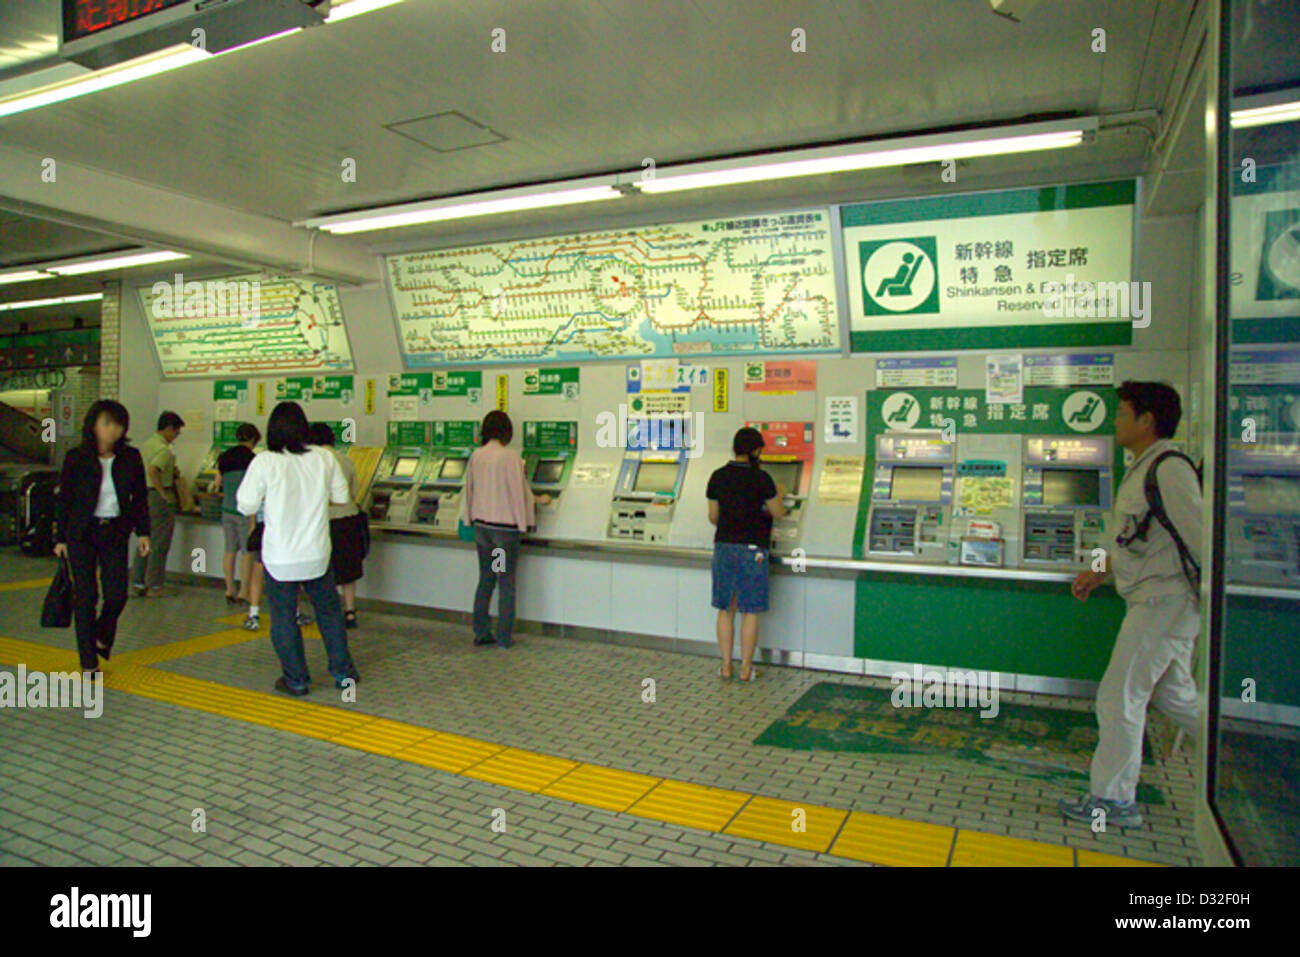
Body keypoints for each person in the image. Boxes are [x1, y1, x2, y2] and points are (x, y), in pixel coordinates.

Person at [1061, 381, 1202, 829]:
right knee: (1174, 696)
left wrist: (1209, 602)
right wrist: (1098, 571)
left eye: (1123, 413)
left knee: (1118, 696)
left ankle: (1113, 800)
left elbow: (1201, 538)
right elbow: (1120, 539)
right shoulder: (1141, 468)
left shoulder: (1170, 469)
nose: (1116, 420)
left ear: (1146, 420)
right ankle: (1238, 748)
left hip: (1164, 601)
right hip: (1153, 600)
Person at [236, 401, 358, 695]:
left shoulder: (264, 461)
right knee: (329, 613)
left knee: (283, 617)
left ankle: (297, 680)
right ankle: (344, 675)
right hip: (317, 553)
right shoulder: (323, 458)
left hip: (280, 558)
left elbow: (245, 505)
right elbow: (342, 498)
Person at [53, 400, 152, 672]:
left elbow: (140, 498)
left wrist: (144, 532)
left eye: (118, 424)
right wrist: (60, 538)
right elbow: (65, 500)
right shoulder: (76, 457)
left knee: (117, 595)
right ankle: (88, 662)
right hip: (81, 534)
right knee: (85, 597)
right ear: (93, 425)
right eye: (107, 423)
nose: (114, 430)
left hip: (115, 532)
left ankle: (101, 635)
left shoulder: (131, 457)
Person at [459, 410, 549, 649]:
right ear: (506, 431)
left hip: (482, 529)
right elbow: (519, 493)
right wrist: (524, 522)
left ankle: (481, 631)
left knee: (486, 579)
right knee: (506, 582)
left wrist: (468, 518)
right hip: (504, 532)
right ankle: (504, 637)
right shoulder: (510, 457)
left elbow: (469, 490)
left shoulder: (476, 456)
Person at [706, 427, 786, 682]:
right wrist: (780, 496)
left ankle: (726, 666)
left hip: (724, 547)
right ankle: (746, 669)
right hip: (753, 550)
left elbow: (713, 517)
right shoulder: (762, 479)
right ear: (755, 450)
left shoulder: (717, 476)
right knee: (750, 610)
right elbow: (778, 512)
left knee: (725, 609)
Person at [309, 422, 366, 628]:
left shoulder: (312, 462)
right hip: (348, 520)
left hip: (323, 522)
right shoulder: (346, 459)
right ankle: (350, 612)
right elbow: (353, 494)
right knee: (348, 569)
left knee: (324, 569)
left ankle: (328, 613)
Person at [130, 410, 184, 597]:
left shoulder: (147, 445)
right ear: (169, 429)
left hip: (145, 495)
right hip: (158, 498)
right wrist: (163, 493)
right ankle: (154, 585)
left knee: (145, 540)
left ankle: (137, 582)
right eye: (176, 433)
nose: (175, 437)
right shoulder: (164, 450)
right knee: (160, 542)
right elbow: (154, 470)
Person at [211, 422, 260, 604]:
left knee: (229, 550)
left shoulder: (224, 457)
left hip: (226, 510)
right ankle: (243, 592)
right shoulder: (253, 459)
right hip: (245, 512)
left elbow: (216, 483)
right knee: (247, 552)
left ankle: (229, 589)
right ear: (254, 439)